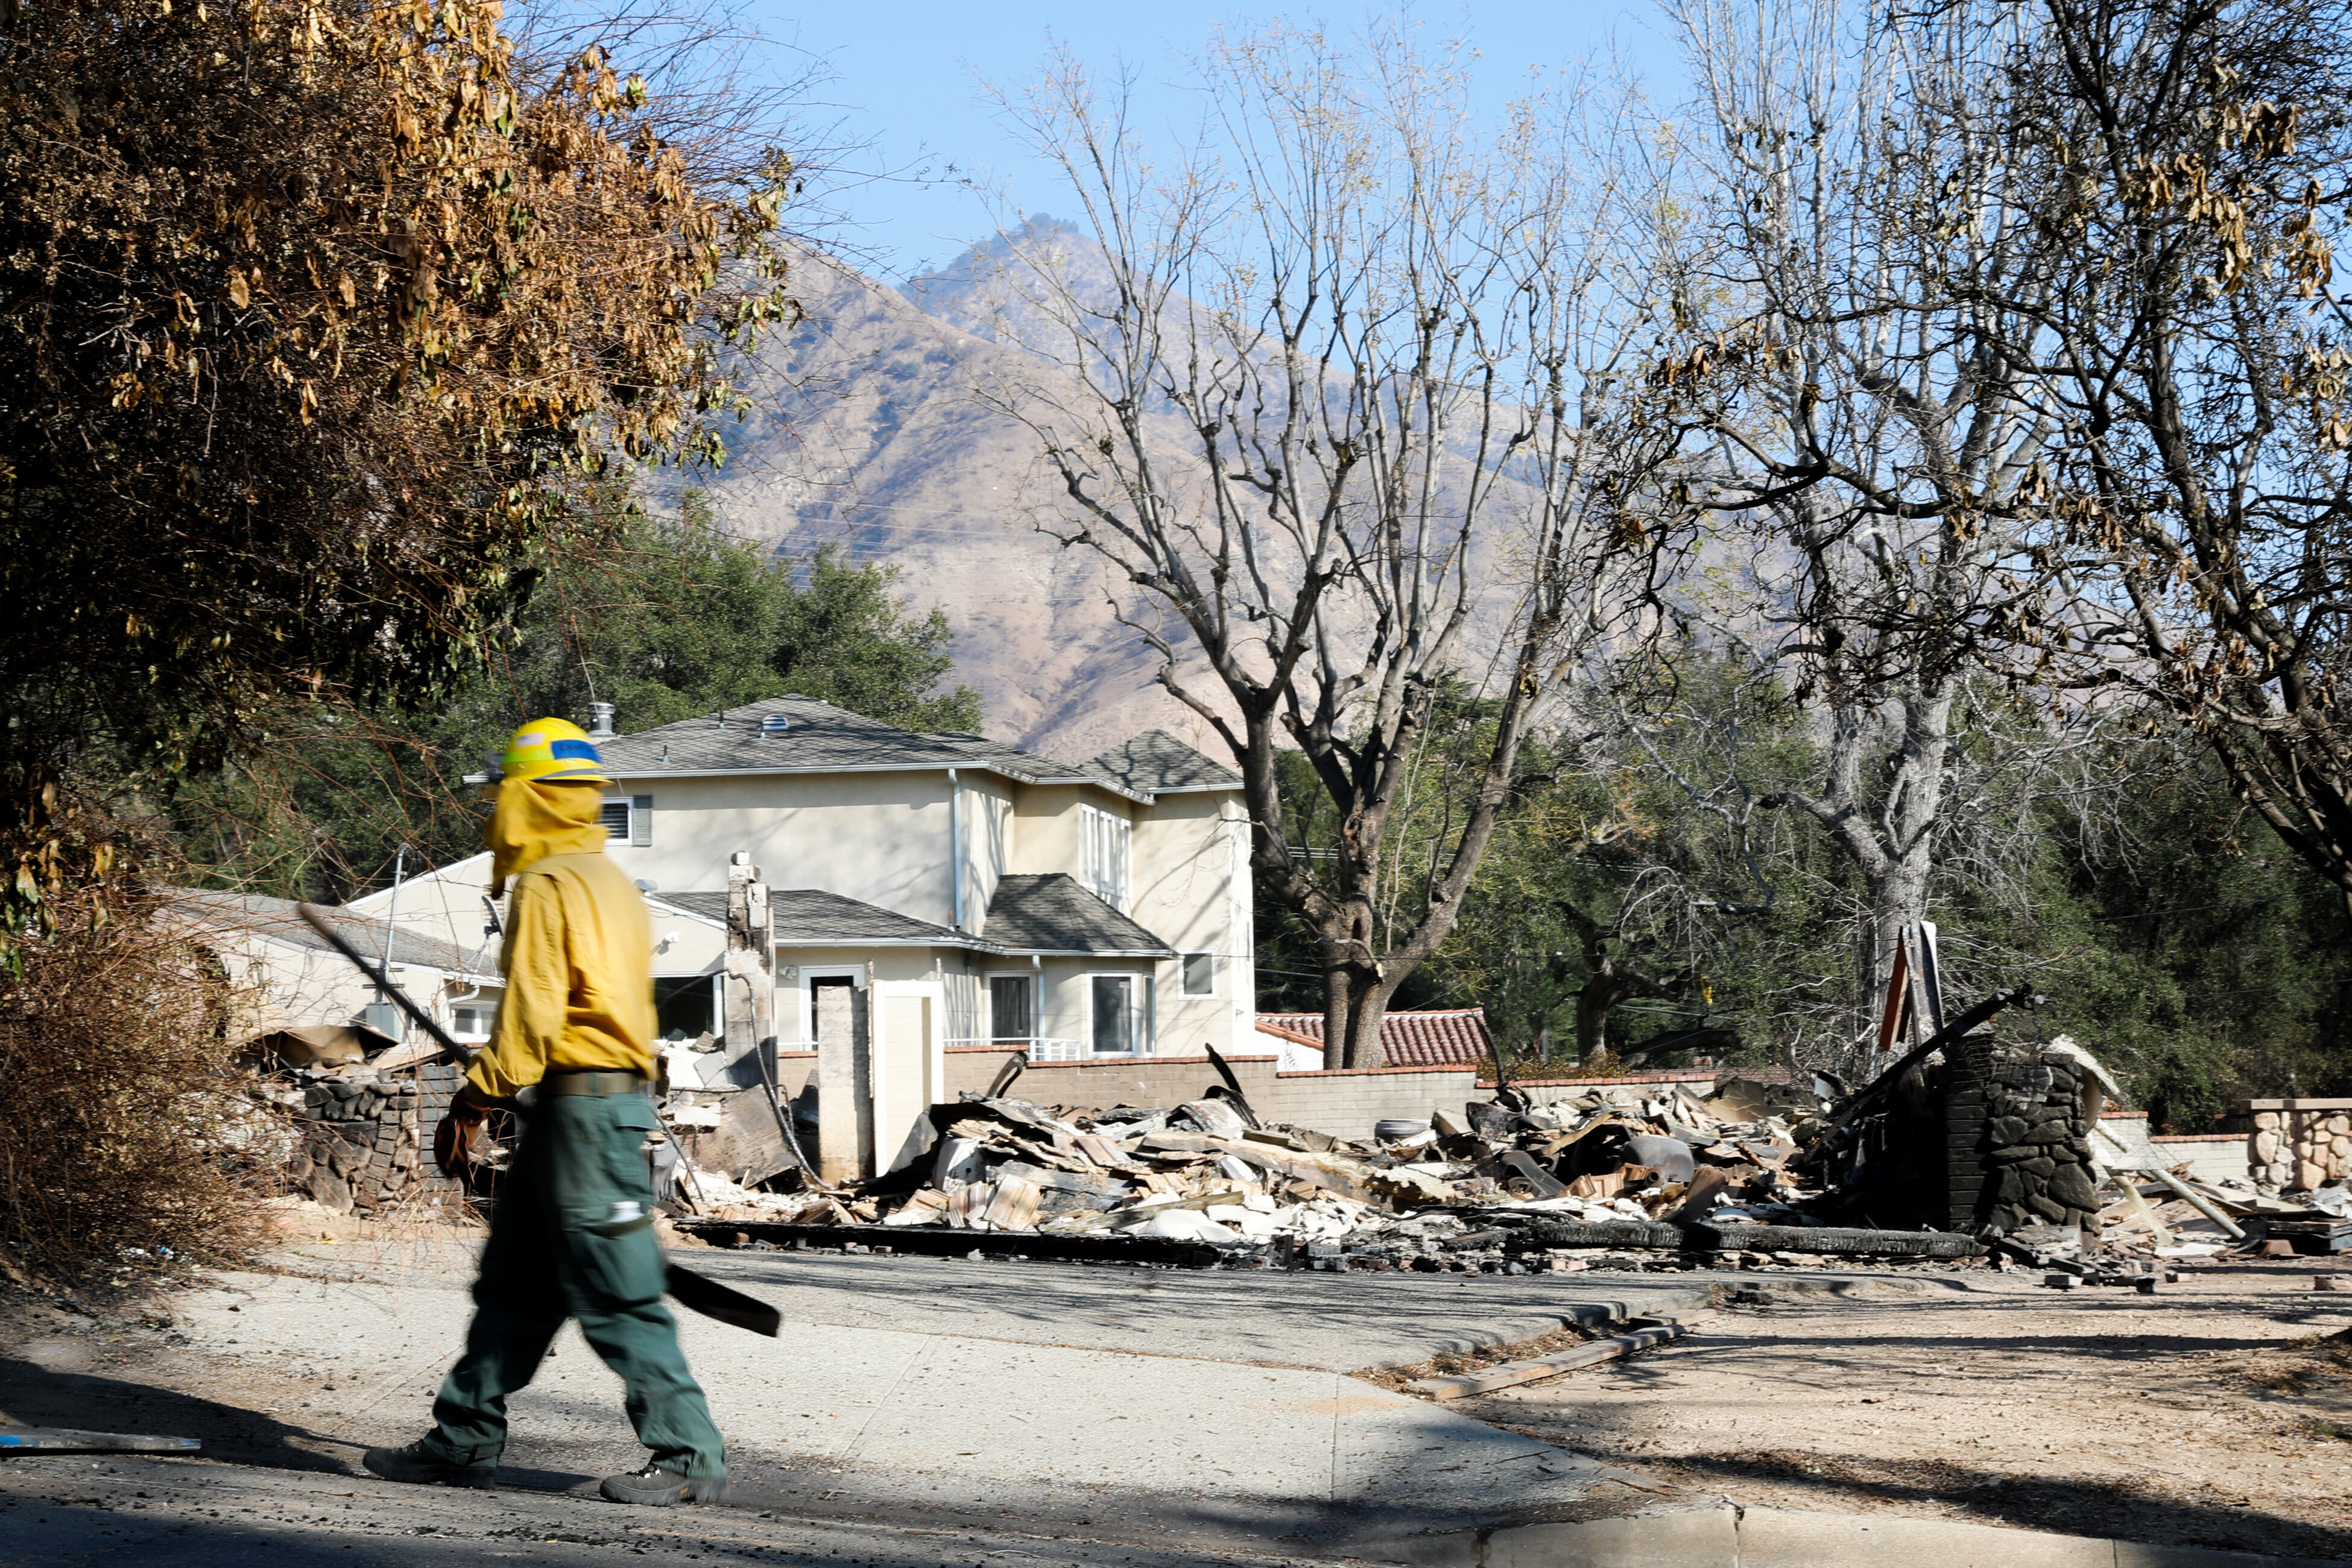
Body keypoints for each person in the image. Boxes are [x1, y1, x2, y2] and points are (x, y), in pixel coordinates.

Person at [362, 718, 729, 1506]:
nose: (499, 812)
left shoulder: (549, 885)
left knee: (614, 1287)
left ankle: (688, 1454)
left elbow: (531, 1024)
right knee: (516, 1286)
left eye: (506, 796)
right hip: (582, 1113)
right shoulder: (611, 885)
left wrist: (472, 1100)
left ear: (530, 800)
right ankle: (461, 1440)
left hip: (585, 1115)